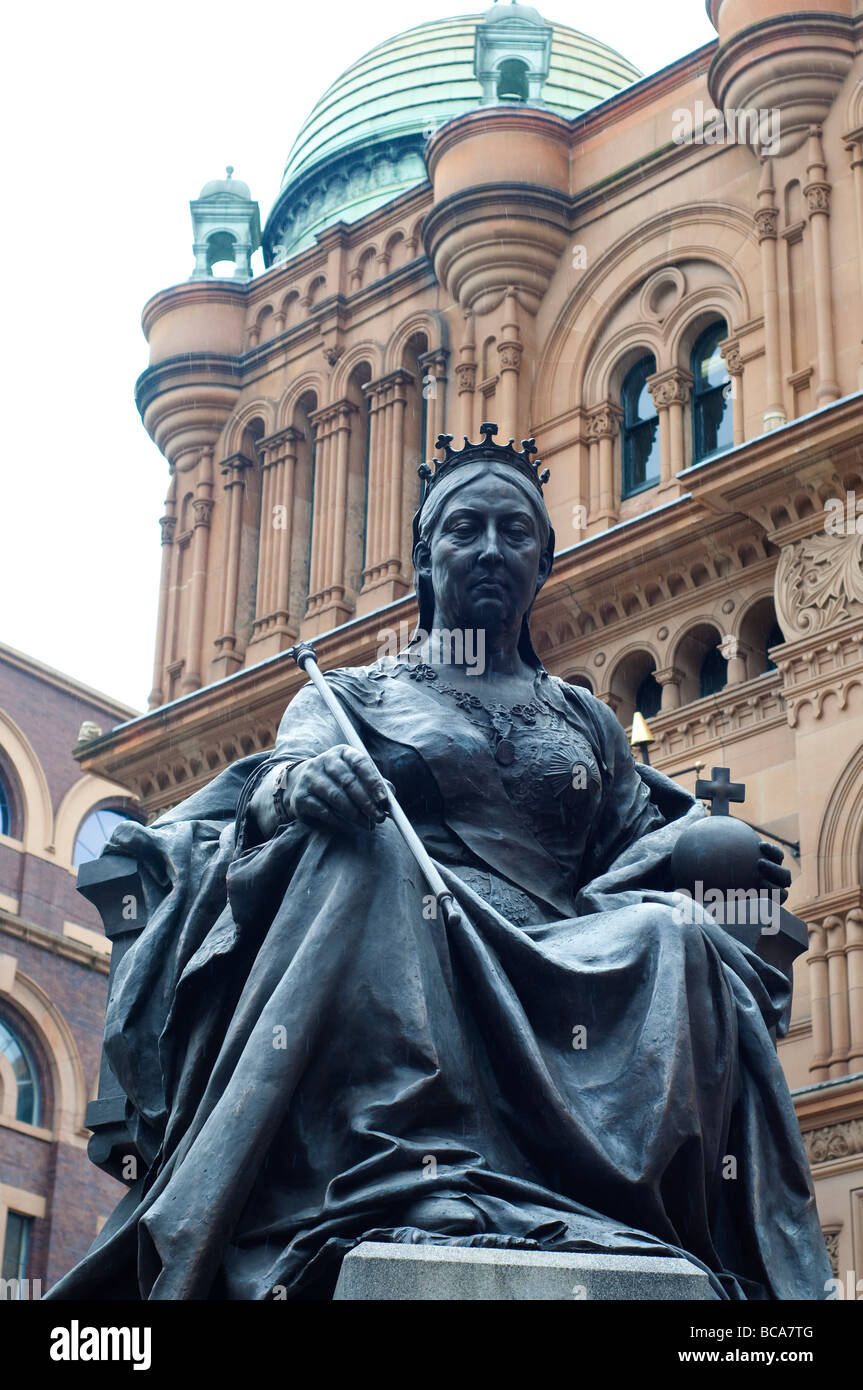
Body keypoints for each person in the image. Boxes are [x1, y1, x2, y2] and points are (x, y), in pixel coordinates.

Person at [48, 430, 830, 1301]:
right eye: (464, 530)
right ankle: (413, 1172)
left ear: (543, 559)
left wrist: (698, 849)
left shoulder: (584, 720)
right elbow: (259, 797)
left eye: (514, 531)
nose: (490, 549)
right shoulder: (351, 696)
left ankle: (632, 1219)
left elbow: (628, 843)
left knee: (675, 931)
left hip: (563, 936)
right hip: (407, 925)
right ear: (425, 560)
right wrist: (306, 787)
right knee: (371, 849)